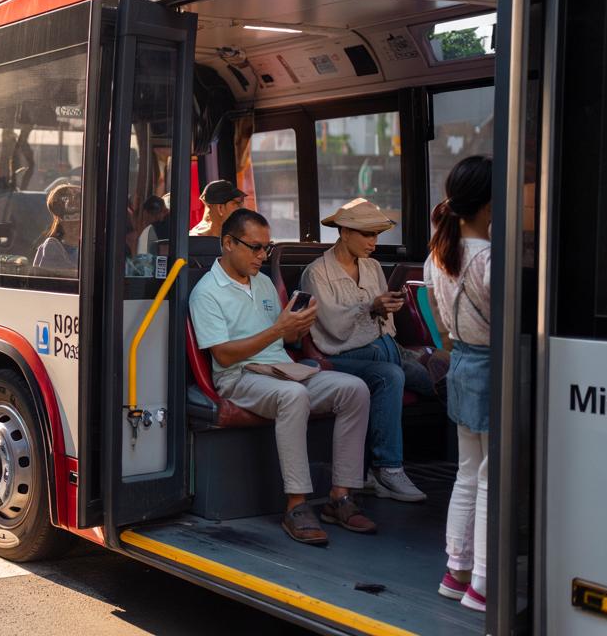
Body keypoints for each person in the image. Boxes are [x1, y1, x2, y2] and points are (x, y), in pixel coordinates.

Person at [188, 208, 374, 546]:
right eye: (255, 247)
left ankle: (340, 496)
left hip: (281, 369)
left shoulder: (262, 284)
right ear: (228, 243)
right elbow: (224, 355)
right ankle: (296, 504)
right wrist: (279, 329)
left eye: (267, 248)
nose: (262, 256)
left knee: (355, 389)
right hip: (238, 376)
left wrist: (296, 328)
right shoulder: (206, 292)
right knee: (294, 396)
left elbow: (284, 340)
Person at [300, 198, 435, 503]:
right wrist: (371, 307)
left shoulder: (373, 267)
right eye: (367, 234)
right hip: (336, 354)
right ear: (344, 232)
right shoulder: (316, 273)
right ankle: (389, 466)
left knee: (396, 370)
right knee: (392, 367)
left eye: (376, 235)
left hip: (377, 350)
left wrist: (387, 306)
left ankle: (386, 468)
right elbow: (332, 326)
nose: (373, 243)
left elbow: (383, 322)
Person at [425, 155, 493, 612]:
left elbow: (443, 328)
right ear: (489, 203)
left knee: (467, 474)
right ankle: (484, 583)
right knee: (493, 478)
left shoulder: (438, 256)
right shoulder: (489, 258)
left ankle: (457, 571)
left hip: (461, 367)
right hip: (490, 369)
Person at [33, 183, 82, 273]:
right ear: (60, 222)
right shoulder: (51, 247)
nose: (74, 226)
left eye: (78, 222)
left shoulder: (89, 247)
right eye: (69, 222)